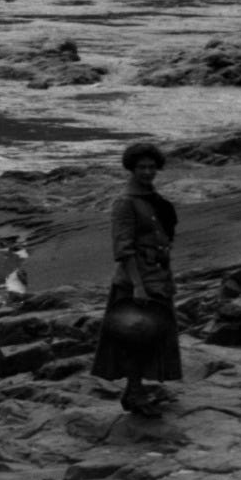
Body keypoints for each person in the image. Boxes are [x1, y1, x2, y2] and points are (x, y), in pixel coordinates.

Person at [88, 140, 183, 419]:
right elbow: (123, 249)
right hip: (135, 281)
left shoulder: (153, 200)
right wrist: (138, 286)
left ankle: (139, 389)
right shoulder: (125, 203)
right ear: (131, 169)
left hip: (158, 276)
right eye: (141, 167)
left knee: (153, 336)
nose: (147, 172)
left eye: (152, 167)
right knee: (135, 338)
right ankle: (133, 391)